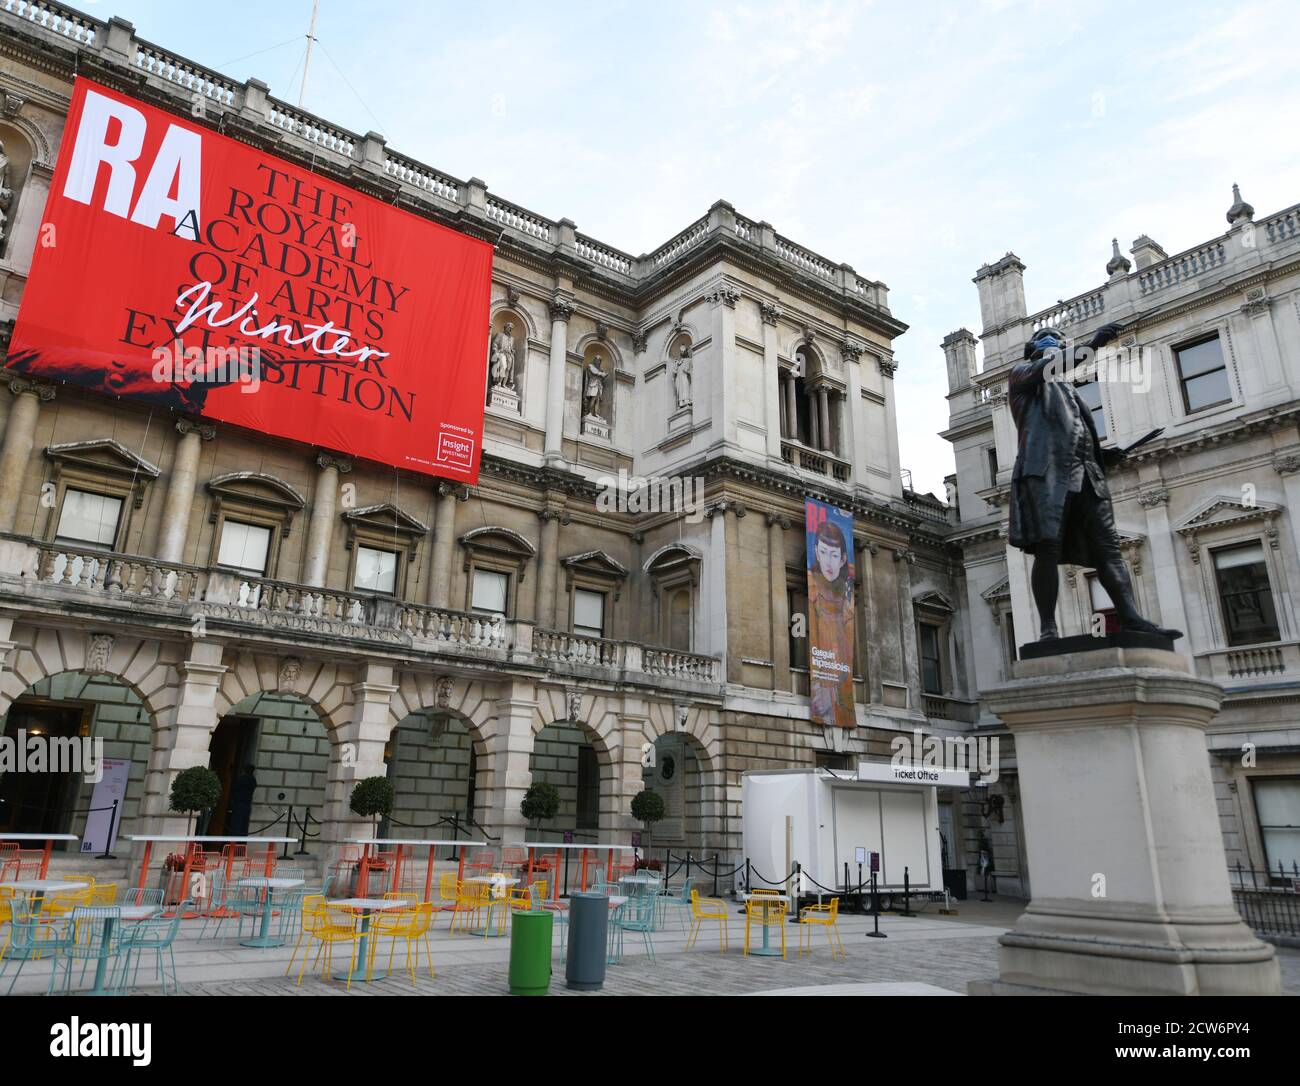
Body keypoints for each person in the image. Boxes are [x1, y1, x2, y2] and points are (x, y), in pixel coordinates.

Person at [1008, 323, 1181, 642]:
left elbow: (1075, 433)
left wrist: (1102, 455)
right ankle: (1048, 629)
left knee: (1109, 550)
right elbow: (1051, 367)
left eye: (1058, 339)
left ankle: (1131, 618)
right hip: (1047, 475)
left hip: (1088, 476)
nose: (1052, 342)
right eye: (1045, 339)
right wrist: (1093, 345)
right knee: (1047, 548)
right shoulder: (1023, 375)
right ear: (1032, 350)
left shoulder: (1072, 393)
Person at [807, 518, 855, 727]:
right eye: (823, 552)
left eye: (834, 555)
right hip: (820, 684)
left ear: (843, 559)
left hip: (844, 686)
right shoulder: (812, 591)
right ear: (816, 552)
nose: (828, 562)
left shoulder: (848, 597)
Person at [228, 764, 257, 835]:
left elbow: (234, 790)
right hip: (247, 805)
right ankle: (242, 841)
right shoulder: (253, 780)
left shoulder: (241, 779)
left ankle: (234, 840)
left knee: (236, 826)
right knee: (244, 826)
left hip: (239, 804)